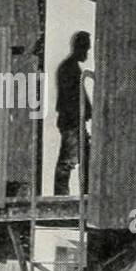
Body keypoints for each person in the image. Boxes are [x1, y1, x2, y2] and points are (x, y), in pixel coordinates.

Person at [53, 30, 92, 196]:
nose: (87, 54)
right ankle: (62, 198)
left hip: (75, 122)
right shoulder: (69, 68)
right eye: (86, 49)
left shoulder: (71, 67)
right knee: (68, 162)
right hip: (72, 122)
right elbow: (71, 98)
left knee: (84, 159)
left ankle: (84, 196)